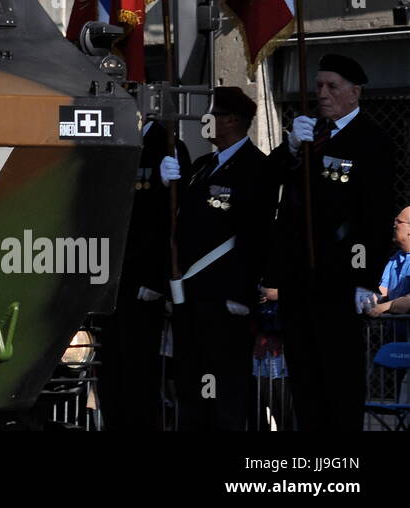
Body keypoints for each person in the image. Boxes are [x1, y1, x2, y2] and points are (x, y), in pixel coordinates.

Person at [262, 53, 398, 431]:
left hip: (339, 279)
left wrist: (364, 277)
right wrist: (289, 147)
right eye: (318, 85)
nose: (322, 93)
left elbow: (372, 217)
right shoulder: (310, 135)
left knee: (338, 378)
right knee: (304, 377)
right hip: (298, 278)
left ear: (354, 93)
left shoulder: (372, 140)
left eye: (331, 86)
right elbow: (268, 185)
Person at [159, 87, 279, 430]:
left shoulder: (256, 167)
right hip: (191, 298)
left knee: (223, 391)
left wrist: (239, 294)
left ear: (232, 120)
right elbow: (183, 225)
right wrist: (168, 187)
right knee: (191, 387)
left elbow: (256, 236)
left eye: (211, 113)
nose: (204, 120)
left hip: (224, 301)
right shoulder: (201, 166)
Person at [98, 113, 189, 430]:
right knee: (110, 369)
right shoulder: (114, 139)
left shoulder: (165, 146)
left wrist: (156, 280)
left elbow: (169, 225)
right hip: (109, 279)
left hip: (141, 283)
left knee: (139, 371)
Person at [365, 206, 410, 317]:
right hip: (396, 333)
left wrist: (383, 307)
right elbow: (382, 293)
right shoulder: (396, 258)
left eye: (398, 222)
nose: (394, 225)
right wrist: (365, 302)